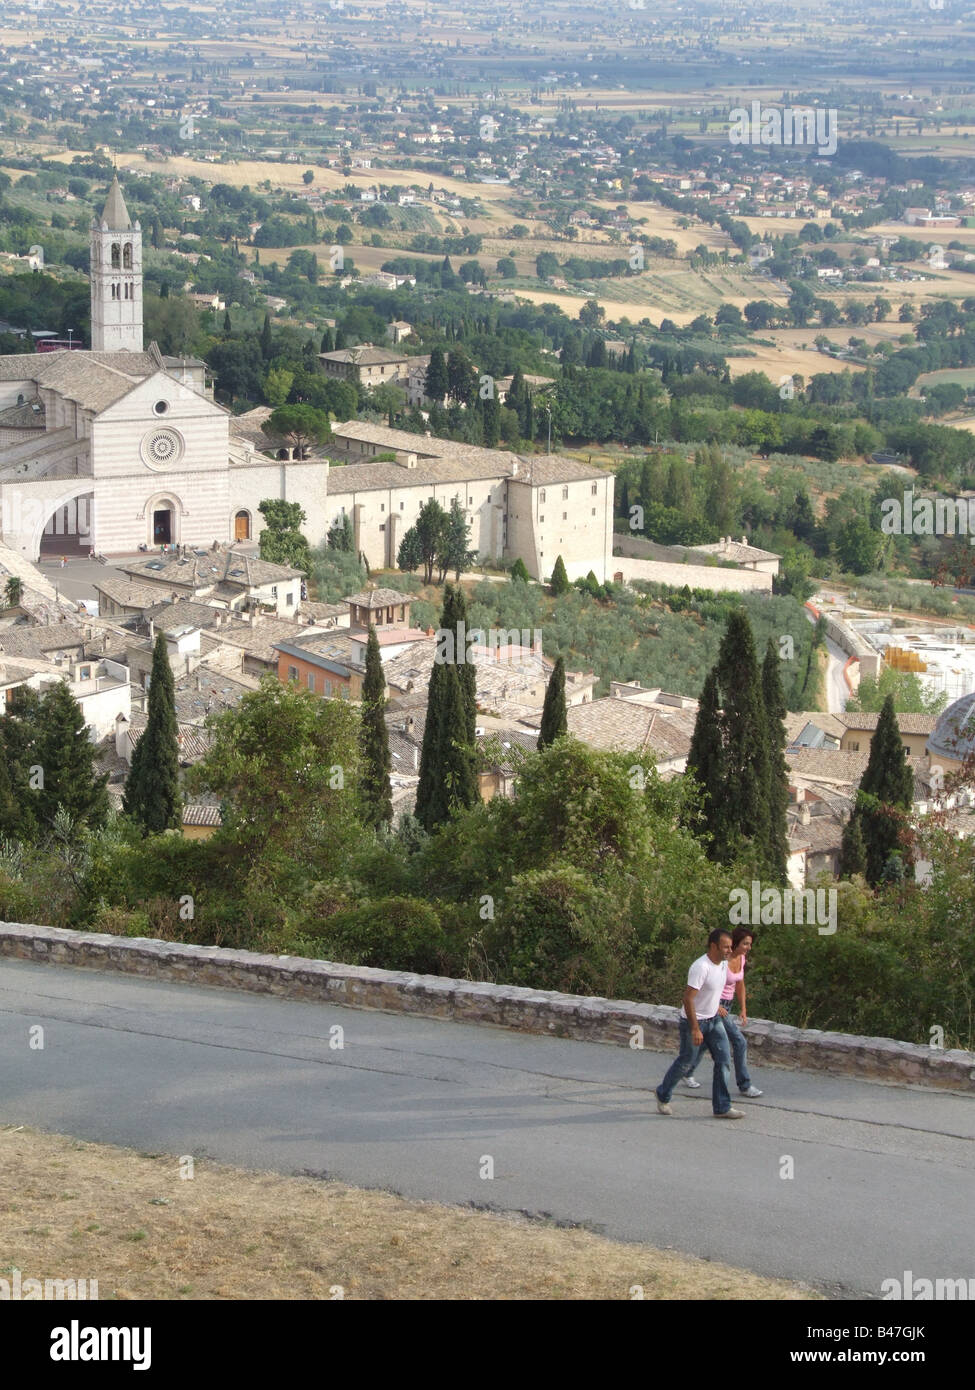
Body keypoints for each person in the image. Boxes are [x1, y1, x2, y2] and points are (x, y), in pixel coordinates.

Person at [656, 929, 743, 1119]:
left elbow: (714, 990)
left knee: (723, 1061)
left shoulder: (722, 965)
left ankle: (722, 1107)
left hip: (714, 1021)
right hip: (694, 1022)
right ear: (713, 946)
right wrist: (695, 1028)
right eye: (726, 947)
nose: (730, 950)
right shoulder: (700, 967)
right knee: (686, 1062)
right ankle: (663, 1094)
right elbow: (688, 999)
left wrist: (717, 1006)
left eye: (730, 947)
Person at [680, 927, 763, 1099]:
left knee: (703, 1044)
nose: (748, 947)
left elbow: (740, 984)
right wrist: (716, 1006)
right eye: (745, 944)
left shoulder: (741, 959)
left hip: (728, 1006)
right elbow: (709, 986)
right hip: (717, 1008)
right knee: (739, 1042)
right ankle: (744, 1085)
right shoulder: (722, 961)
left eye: (750, 944)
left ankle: (687, 1071)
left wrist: (743, 1008)